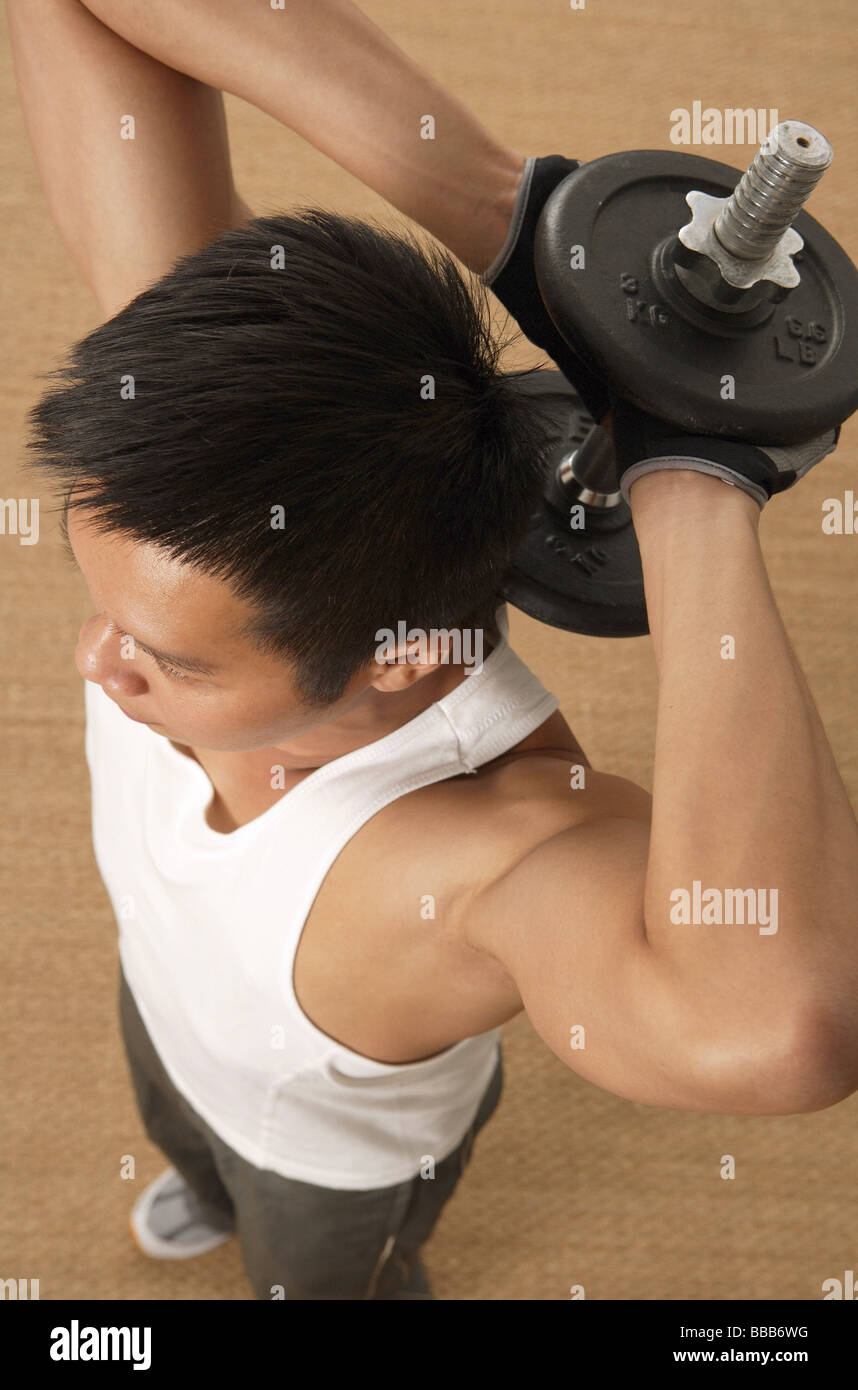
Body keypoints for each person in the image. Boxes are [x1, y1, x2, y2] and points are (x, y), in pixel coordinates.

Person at [7, 0, 858, 1301]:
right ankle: (199, 1166)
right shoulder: (210, 482)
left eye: (167, 661)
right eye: (102, 604)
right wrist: (512, 215)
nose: (94, 664)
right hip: (166, 991)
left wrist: (690, 469)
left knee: (312, 1265)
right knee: (179, 1111)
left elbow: (777, 1027)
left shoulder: (481, 845)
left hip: (329, 1163)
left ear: (396, 658)